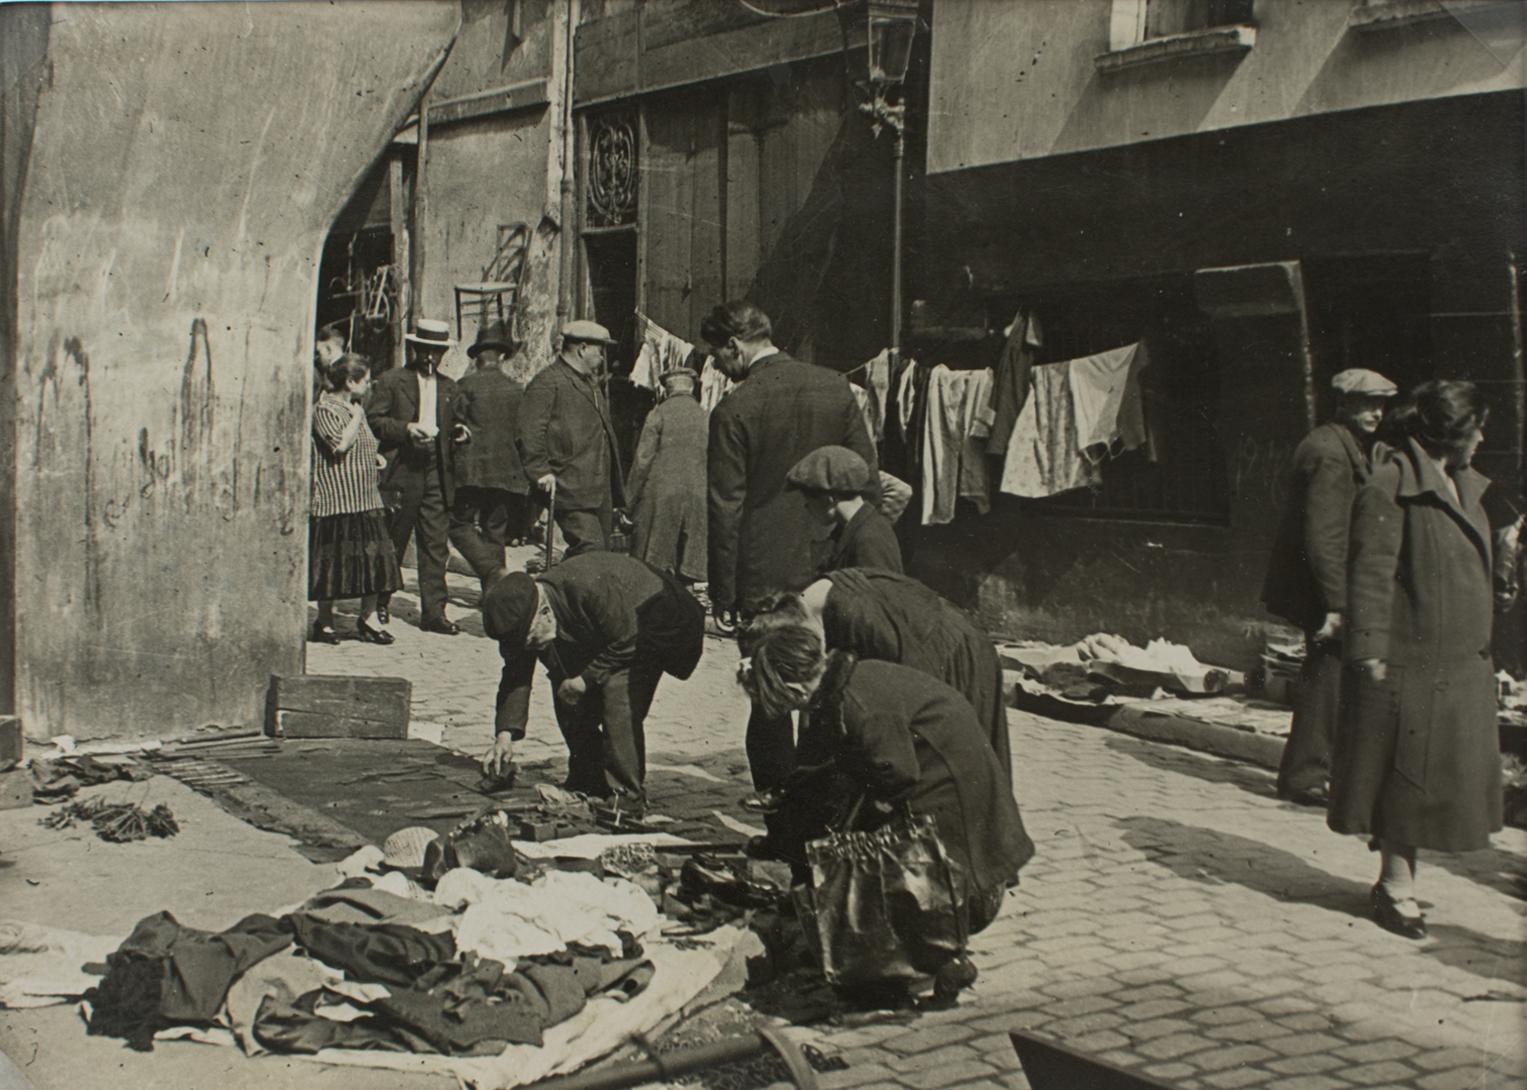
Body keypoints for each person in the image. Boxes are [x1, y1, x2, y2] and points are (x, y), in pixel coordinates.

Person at [737, 623, 1034, 996]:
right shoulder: (851, 680)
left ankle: (938, 953)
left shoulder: (859, 704)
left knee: (869, 860)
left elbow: (896, 774)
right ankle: (927, 944)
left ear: (796, 689)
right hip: (957, 784)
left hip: (955, 807)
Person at [1329, 380, 1499, 940]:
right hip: (1410, 658)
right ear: (1455, 431)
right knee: (1406, 778)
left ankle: (1399, 881)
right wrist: (1370, 649)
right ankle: (1395, 887)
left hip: (1456, 662)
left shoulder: (1464, 484)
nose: (1483, 436)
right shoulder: (1391, 483)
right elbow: (1370, 573)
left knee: (1440, 780)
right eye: (1478, 425)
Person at [701, 300, 877, 789]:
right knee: (830, 684)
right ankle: (824, 794)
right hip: (835, 568)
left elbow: (725, 507)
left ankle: (781, 806)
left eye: (716, 353)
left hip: (765, 575)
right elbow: (867, 477)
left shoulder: (734, 407)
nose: (714, 363)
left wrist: (722, 593)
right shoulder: (835, 386)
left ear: (735, 346)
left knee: (772, 692)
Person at [1262, 367, 1398, 805]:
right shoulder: (1329, 452)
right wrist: (1337, 606)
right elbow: (1324, 538)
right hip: (1323, 589)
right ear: (1343, 404)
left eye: (1381, 403)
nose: (1376, 411)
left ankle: (1318, 769)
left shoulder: (1347, 446)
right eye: (1366, 403)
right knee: (1326, 676)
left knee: (1331, 675)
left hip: (1329, 587)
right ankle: (1305, 776)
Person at [746, 567, 1011, 785]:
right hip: (931, 649)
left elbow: (913, 685)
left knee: (962, 763)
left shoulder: (854, 609)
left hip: (955, 655)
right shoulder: (811, 607)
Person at [479, 553, 704, 807]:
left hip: (657, 623)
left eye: (532, 640)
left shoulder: (589, 589)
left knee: (617, 695)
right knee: (565, 691)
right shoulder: (530, 614)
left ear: (545, 613)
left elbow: (628, 639)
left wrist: (585, 680)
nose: (531, 648)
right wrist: (504, 736)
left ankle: (626, 798)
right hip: (610, 632)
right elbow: (516, 673)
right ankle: (587, 782)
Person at [367, 317, 471, 635]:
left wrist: (461, 433)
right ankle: (379, 603)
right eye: (425, 350)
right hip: (403, 470)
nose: (430, 358)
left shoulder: (450, 387)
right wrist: (406, 429)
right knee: (393, 539)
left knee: (435, 544)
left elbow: (457, 423)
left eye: (437, 352)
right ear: (415, 348)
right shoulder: (392, 380)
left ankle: (434, 613)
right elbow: (375, 420)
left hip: (437, 472)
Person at [308, 353, 401, 644]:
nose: (369, 384)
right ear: (349, 382)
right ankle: (324, 622)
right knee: (333, 564)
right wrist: (358, 416)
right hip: (337, 500)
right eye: (365, 380)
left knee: (373, 562)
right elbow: (339, 445)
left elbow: (362, 444)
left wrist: (373, 457)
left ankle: (368, 618)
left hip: (366, 499)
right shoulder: (325, 409)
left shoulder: (354, 406)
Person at [517, 320, 625, 557]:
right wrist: (539, 471)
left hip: (598, 487)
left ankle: (569, 591)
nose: (603, 357)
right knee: (590, 548)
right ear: (582, 348)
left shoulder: (590, 384)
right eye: (600, 350)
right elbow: (529, 431)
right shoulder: (548, 382)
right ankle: (558, 590)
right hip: (569, 484)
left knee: (601, 555)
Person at [449, 320, 530, 595]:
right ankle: (493, 594)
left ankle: (491, 571)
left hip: (470, 472)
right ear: (503, 356)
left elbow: (454, 425)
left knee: (458, 525)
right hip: (506, 472)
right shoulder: (517, 389)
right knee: (495, 530)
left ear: (477, 357)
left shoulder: (464, 385)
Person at [626, 364, 708, 582]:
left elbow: (642, 462)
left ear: (666, 390)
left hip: (661, 498)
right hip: (697, 498)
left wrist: (629, 502)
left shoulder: (658, 414)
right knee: (689, 566)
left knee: (655, 565)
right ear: (692, 388)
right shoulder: (706, 416)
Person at [787, 445, 903, 575]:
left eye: (809, 502)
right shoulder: (851, 529)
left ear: (829, 499)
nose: (807, 508)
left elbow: (879, 593)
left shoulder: (868, 539)